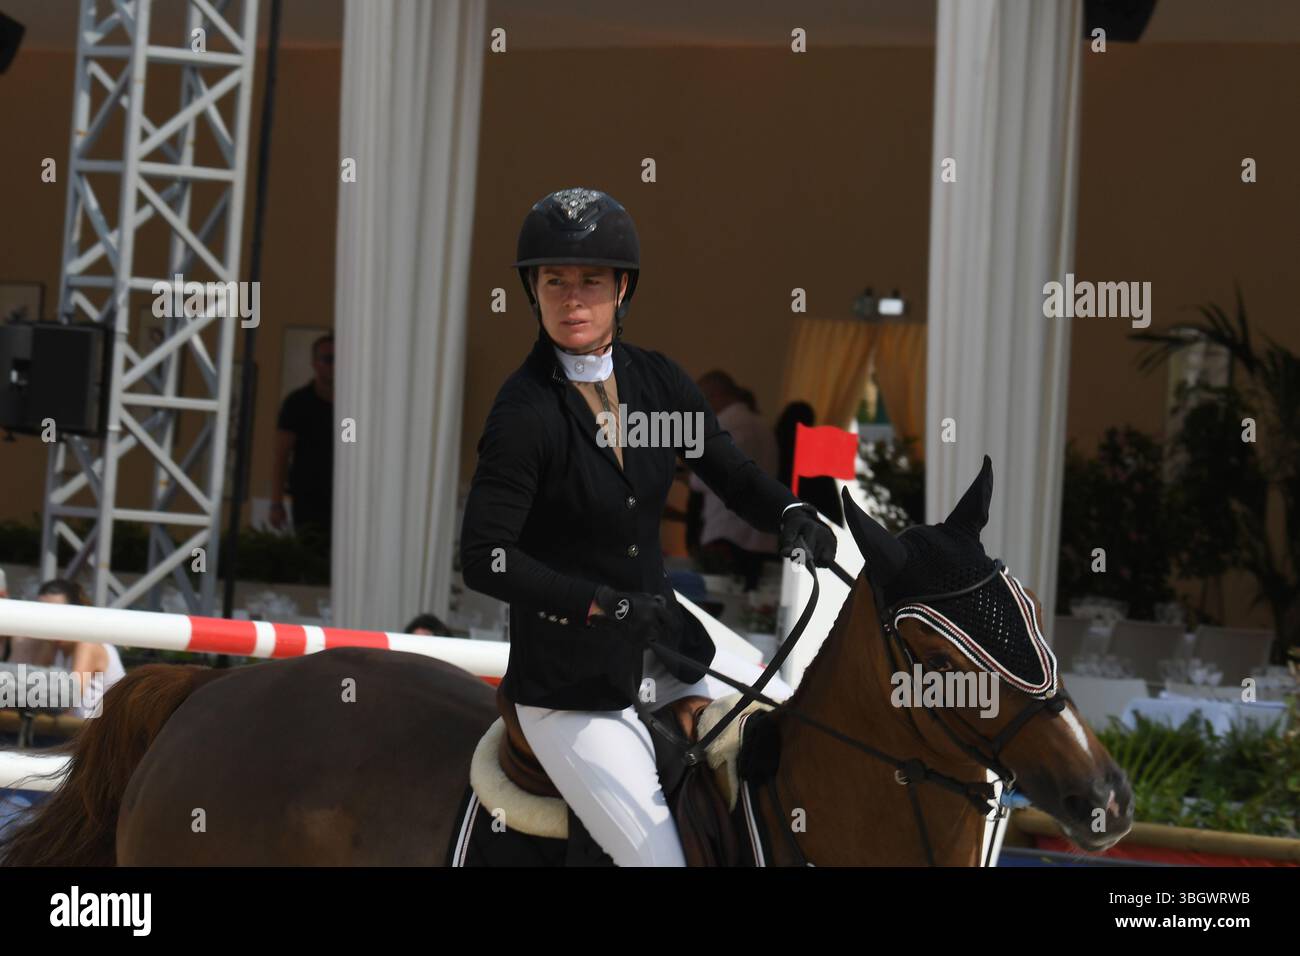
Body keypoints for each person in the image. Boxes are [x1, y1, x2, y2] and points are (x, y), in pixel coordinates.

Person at [459, 187, 837, 867]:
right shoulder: (523, 413)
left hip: (668, 643)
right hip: (572, 691)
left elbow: (728, 470)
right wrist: (597, 604)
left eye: (590, 282)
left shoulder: (656, 383)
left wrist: (791, 514)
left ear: (622, 289)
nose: (572, 299)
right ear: (532, 290)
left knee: (791, 729)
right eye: (555, 282)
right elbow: (484, 558)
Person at [690, 370, 782, 590]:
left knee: (719, 603)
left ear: (715, 395)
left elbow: (700, 479)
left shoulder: (721, 425)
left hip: (727, 531)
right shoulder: (762, 425)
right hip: (762, 534)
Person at [272, 334, 335, 548]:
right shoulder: (298, 403)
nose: (334, 366)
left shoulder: (349, 405)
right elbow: (282, 454)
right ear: (314, 363)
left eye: (338, 359)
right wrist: (276, 502)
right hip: (307, 496)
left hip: (342, 495)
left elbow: (350, 445)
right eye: (328, 359)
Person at [31, 579, 126, 719]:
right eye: (43, 616)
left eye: (58, 615)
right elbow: (33, 689)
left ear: (76, 612)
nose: (51, 622)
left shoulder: (88, 644)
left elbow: (68, 698)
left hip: (104, 735)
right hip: (80, 731)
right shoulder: (55, 645)